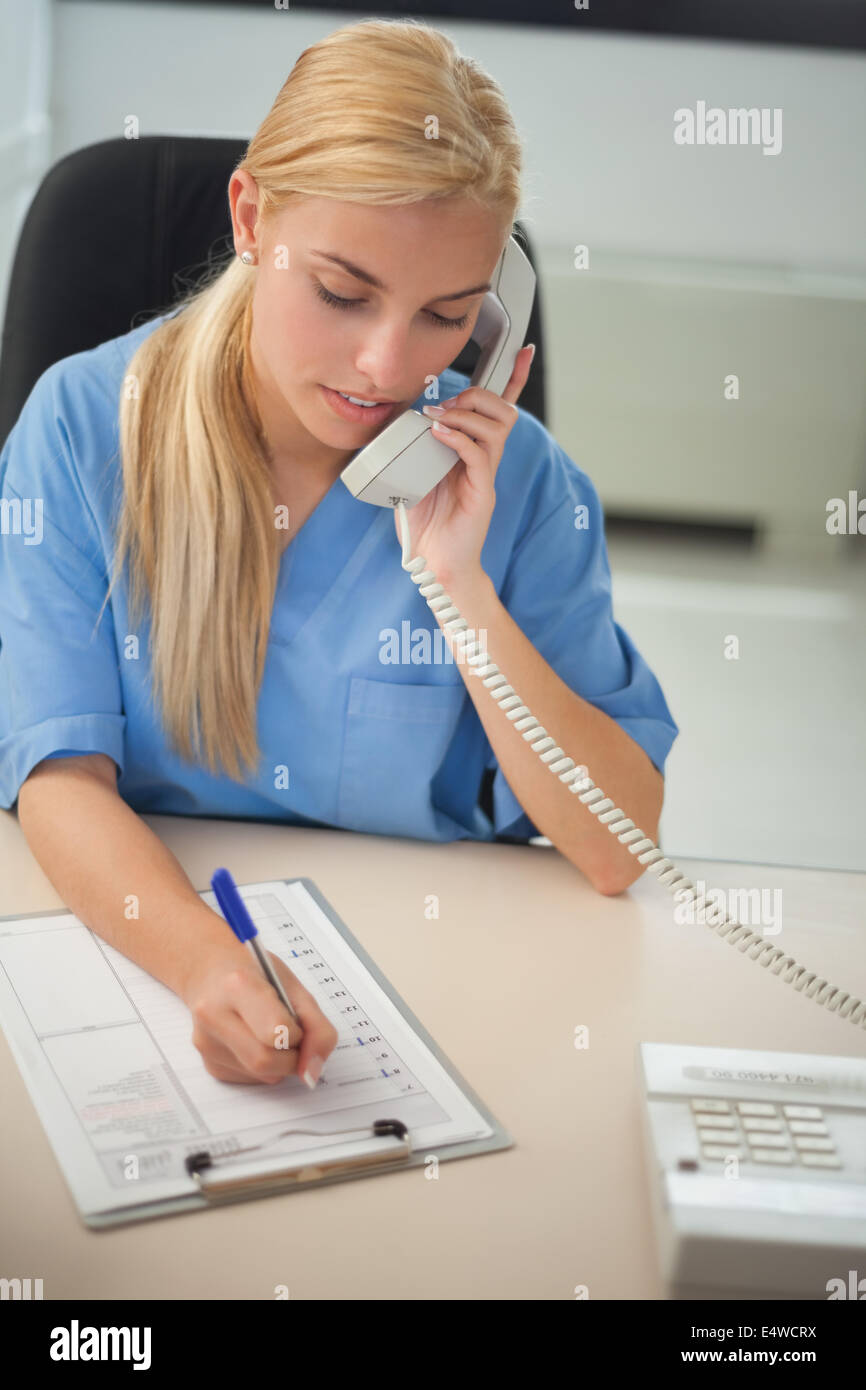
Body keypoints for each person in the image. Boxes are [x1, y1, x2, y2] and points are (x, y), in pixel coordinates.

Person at [0, 19, 678, 1091]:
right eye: (343, 293)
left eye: (444, 318)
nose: (385, 365)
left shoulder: (520, 486)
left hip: (451, 995)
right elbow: (58, 779)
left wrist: (460, 587)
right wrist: (207, 964)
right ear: (252, 214)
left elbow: (614, 848)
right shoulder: (86, 427)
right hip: (147, 960)